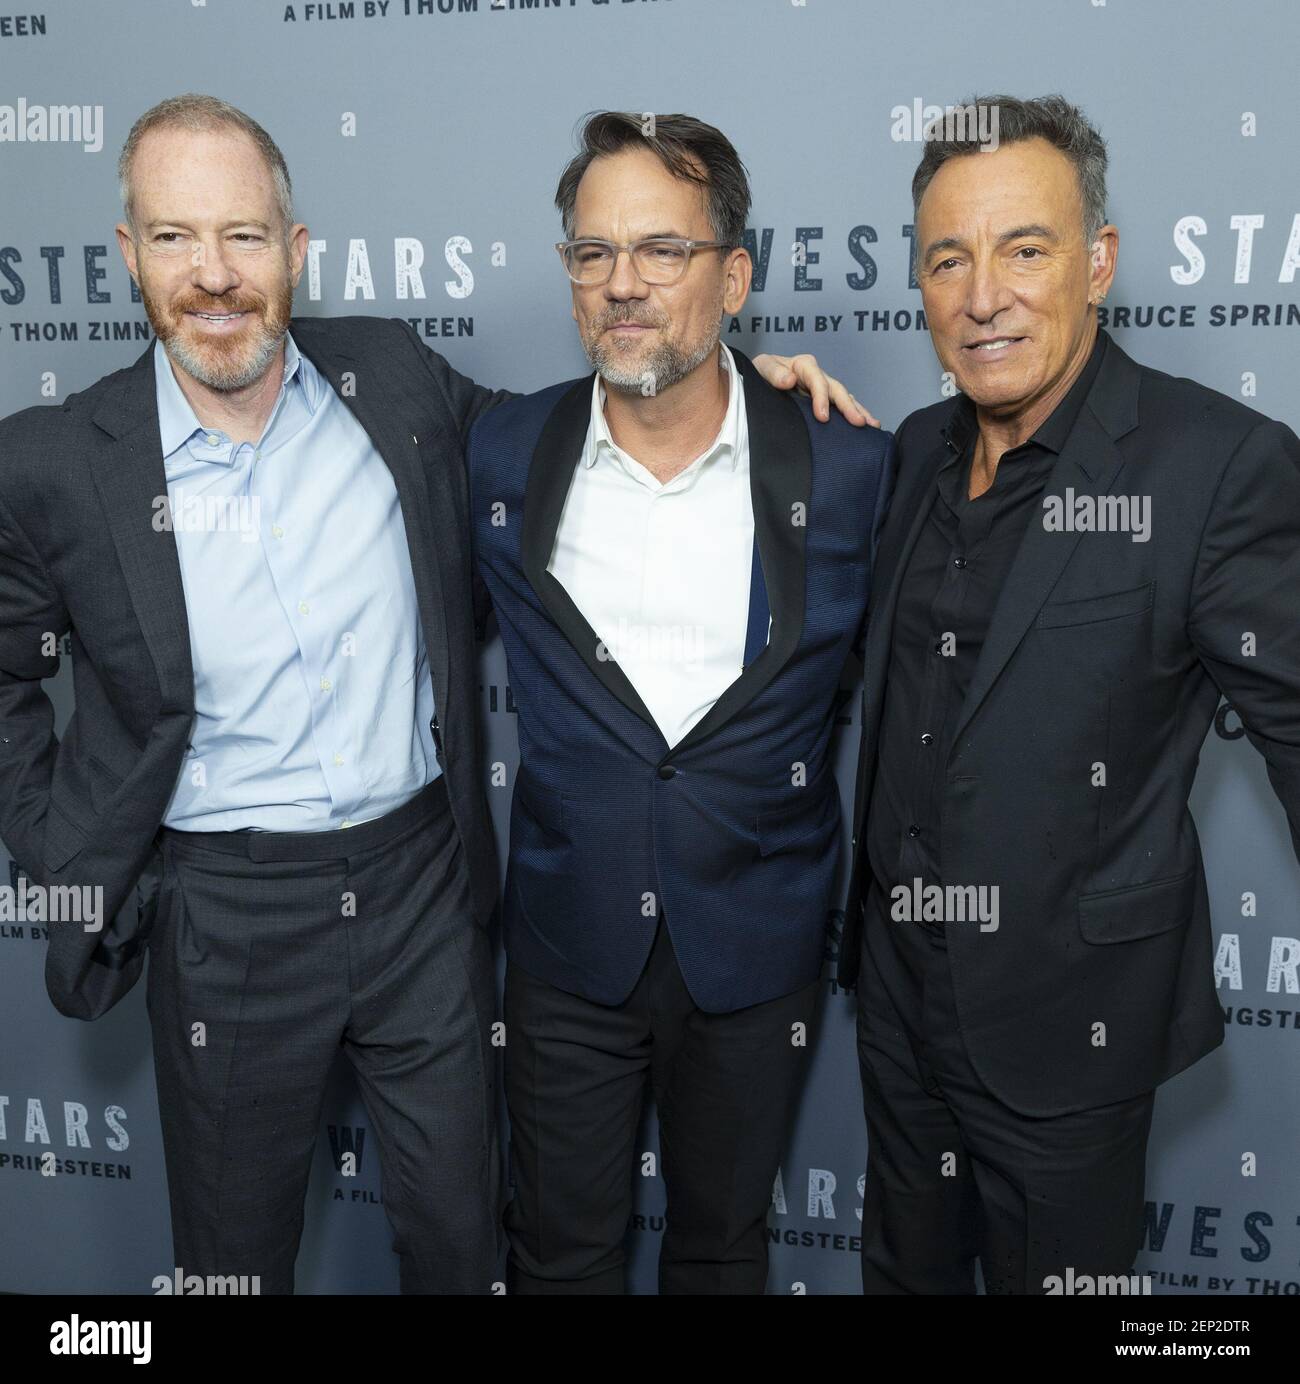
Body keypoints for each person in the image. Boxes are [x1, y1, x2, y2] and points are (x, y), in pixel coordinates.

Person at [0, 94, 850, 1294]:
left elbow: (587, 439)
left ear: (295, 252)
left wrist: (732, 381)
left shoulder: (392, 379)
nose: (213, 275)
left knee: (463, 1247)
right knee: (233, 1265)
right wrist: (66, 845)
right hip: (223, 911)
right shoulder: (50, 464)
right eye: (175, 237)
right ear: (128, 253)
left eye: (243, 236)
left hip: (422, 897)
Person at [839, 93, 1300, 1295]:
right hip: (895, 1007)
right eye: (949, 258)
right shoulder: (908, 454)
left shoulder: (1215, 467)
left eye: (1023, 249)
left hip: (1066, 1031)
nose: (983, 293)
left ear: (1098, 263)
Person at [468, 111, 896, 1293]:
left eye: (662, 251)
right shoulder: (502, 450)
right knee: (556, 1258)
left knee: (720, 1253)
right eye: (592, 253)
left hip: (756, 948)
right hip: (565, 947)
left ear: (734, 276)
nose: (622, 285)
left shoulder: (848, 469)